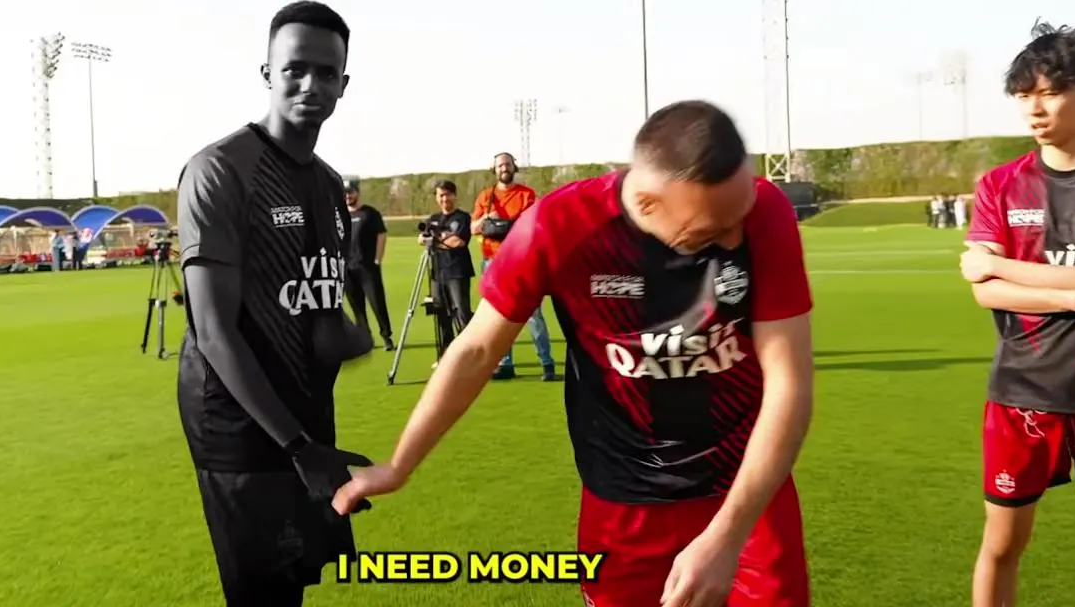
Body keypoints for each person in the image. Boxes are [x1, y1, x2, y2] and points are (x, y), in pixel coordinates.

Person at [335, 100, 817, 607]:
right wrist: (399, 464)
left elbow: (789, 382)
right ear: (648, 202)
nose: (736, 235)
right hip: (623, 506)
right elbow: (476, 349)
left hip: (750, 496)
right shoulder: (560, 226)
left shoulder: (761, 209)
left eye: (739, 216)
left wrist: (729, 534)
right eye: (713, 230)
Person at [175, 0, 375, 607]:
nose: (310, 84)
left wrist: (343, 335)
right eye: (294, 69)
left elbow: (311, 305)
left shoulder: (327, 185)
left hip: (304, 419)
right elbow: (214, 331)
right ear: (267, 73)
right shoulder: (220, 170)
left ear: (344, 83)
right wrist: (298, 447)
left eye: (326, 72)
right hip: (241, 427)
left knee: (293, 586)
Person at [958, 21, 1075, 607]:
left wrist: (997, 266)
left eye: (1051, 92)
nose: (1034, 109)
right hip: (1022, 391)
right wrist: (1073, 296)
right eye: (1024, 95)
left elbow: (988, 274)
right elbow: (984, 293)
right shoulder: (1000, 185)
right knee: (1001, 545)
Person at [471, 151, 557, 381]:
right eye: (500, 165)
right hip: (493, 261)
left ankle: (546, 362)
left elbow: (535, 223)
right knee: (499, 316)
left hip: (521, 259)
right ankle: (505, 363)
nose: (504, 168)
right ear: (494, 169)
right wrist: (487, 217)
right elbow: (473, 228)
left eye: (508, 164)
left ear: (514, 167)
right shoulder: (486, 196)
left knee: (533, 314)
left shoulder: (526, 194)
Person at [418, 179, 475, 357]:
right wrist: (439, 240)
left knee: (462, 313)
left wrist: (435, 240)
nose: (444, 199)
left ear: (454, 195)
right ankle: (446, 354)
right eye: (441, 195)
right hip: (437, 272)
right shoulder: (433, 219)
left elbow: (458, 242)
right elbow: (421, 239)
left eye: (448, 194)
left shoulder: (462, 217)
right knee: (441, 314)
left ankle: (469, 354)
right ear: (436, 197)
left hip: (457, 272)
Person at [343, 177, 395, 351]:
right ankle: (365, 337)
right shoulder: (340, 215)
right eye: (345, 193)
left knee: (377, 303)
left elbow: (381, 234)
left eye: (350, 192)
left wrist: (377, 259)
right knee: (357, 307)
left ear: (357, 192)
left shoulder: (370, 213)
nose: (348, 196)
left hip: (368, 267)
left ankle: (386, 336)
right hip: (348, 269)